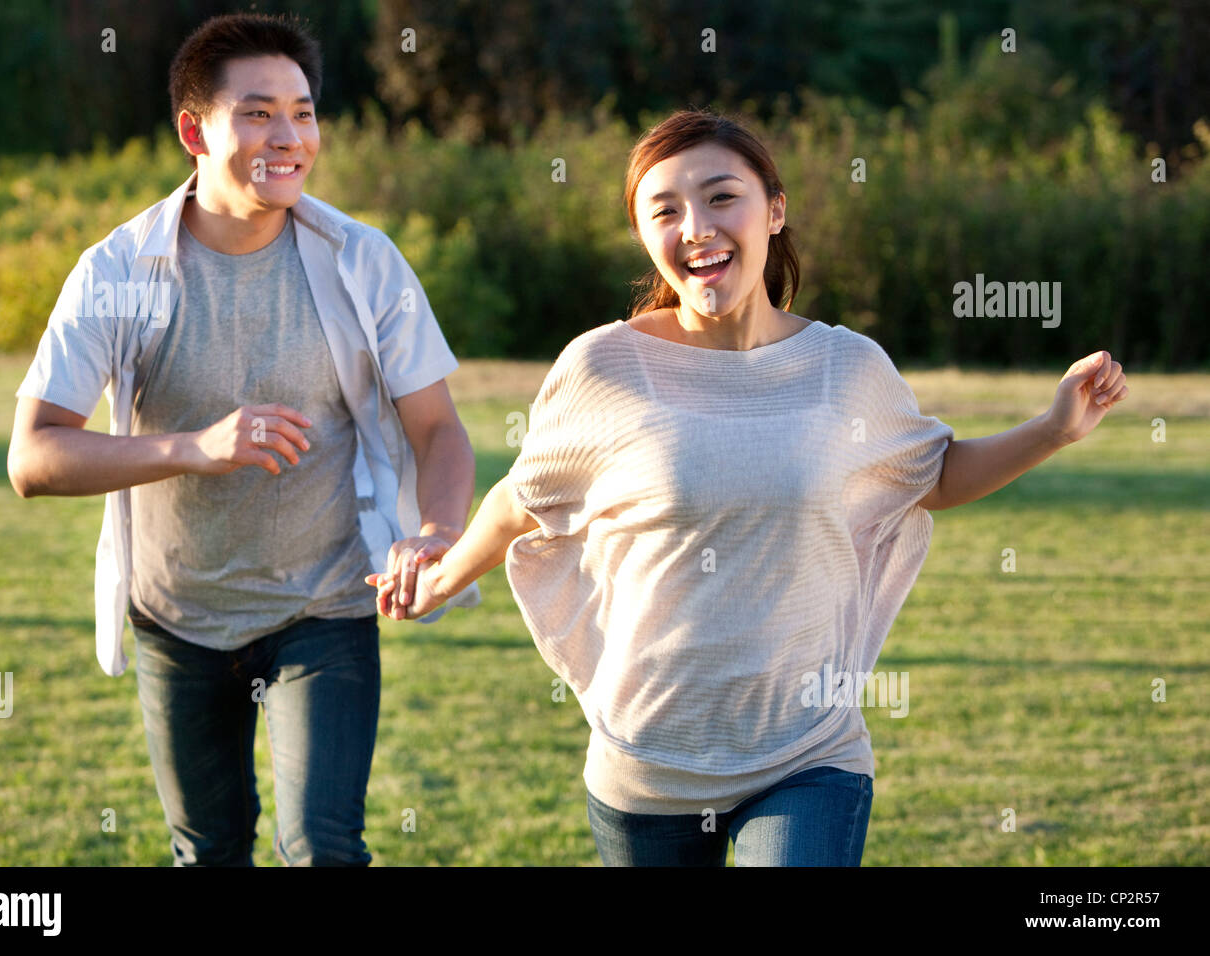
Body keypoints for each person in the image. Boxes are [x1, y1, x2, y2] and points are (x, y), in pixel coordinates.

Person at [367, 108, 1129, 867]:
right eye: (665, 211)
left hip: (809, 753)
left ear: (776, 208)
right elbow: (515, 504)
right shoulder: (603, 369)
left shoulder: (847, 368)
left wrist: (1053, 429)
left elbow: (932, 475)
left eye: (721, 196)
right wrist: (437, 579)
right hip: (648, 765)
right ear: (644, 236)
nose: (695, 226)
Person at [7, 12, 479, 866]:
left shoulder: (363, 260)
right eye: (258, 113)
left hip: (325, 608)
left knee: (323, 848)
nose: (289, 136)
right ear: (195, 130)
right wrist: (194, 447)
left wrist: (439, 533)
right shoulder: (118, 271)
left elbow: (439, 429)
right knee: (210, 853)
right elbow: (33, 456)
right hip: (177, 616)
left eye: (303, 113)